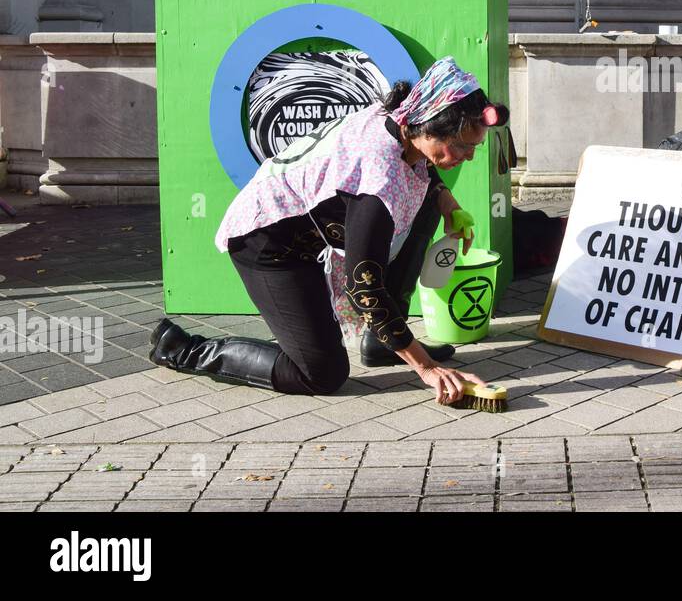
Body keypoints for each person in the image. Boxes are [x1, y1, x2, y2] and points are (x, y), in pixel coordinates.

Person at [148, 57, 508, 404]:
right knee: (321, 372)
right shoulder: (377, 179)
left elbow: (423, 171)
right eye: (461, 145)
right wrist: (426, 367)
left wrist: (447, 200)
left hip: (311, 231)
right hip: (267, 244)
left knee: (428, 201)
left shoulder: (398, 118)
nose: (469, 155)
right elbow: (363, 287)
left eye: (473, 146)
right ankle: (185, 350)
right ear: (427, 123)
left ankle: (384, 342)